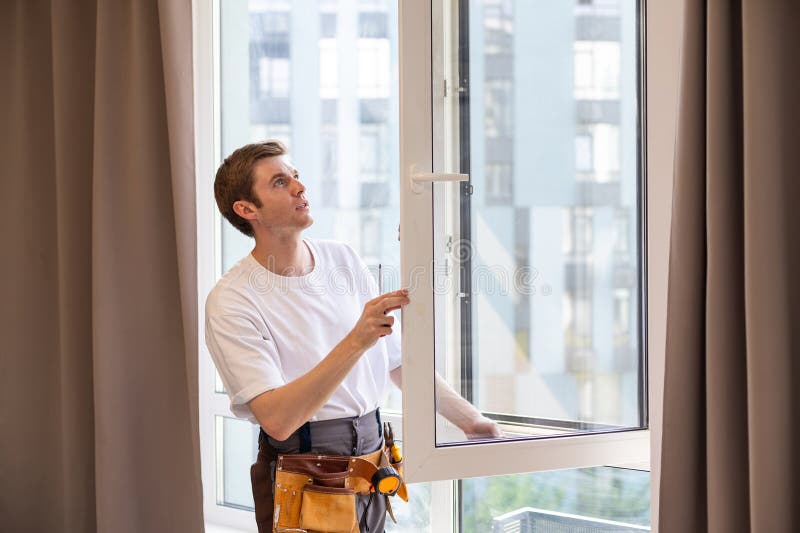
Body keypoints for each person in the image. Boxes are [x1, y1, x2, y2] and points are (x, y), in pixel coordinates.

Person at [205, 140, 501, 532]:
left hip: (372, 460)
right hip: (305, 469)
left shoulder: (340, 258)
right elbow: (277, 420)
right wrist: (356, 340)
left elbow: (395, 362)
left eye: (296, 176)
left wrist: (472, 421)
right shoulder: (233, 299)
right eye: (279, 182)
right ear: (246, 210)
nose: (299, 187)